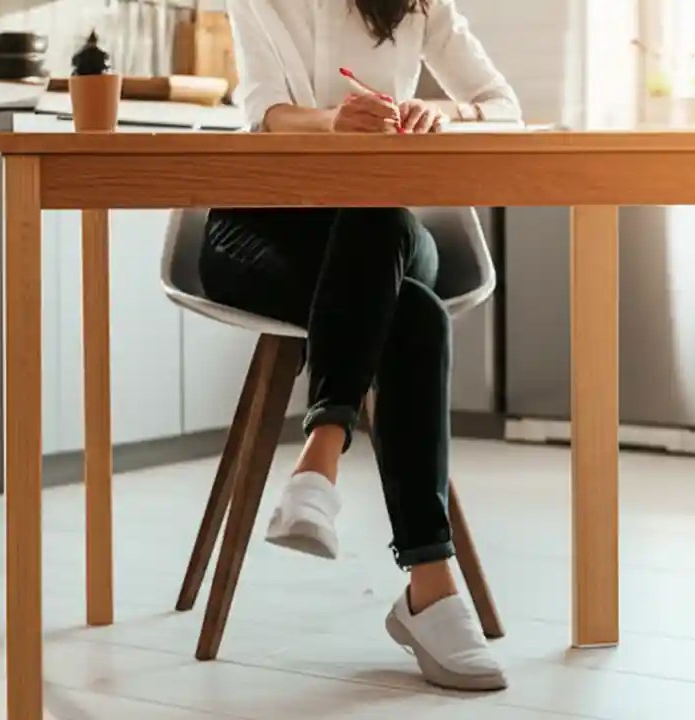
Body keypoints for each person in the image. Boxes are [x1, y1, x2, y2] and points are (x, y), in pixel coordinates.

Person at [204, 0, 520, 692]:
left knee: (377, 212)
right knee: (413, 311)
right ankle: (430, 592)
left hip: (383, 229)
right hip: (263, 230)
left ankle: (320, 459)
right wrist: (331, 122)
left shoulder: (417, 5)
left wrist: (445, 113)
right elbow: (264, 109)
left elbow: (502, 102)